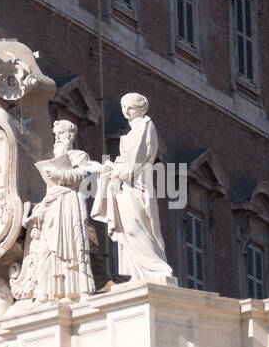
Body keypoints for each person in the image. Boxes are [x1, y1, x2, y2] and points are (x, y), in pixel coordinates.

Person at [91, 93, 176, 285]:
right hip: (126, 183)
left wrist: (115, 170)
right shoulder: (134, 130)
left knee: (135, 225)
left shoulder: (144, 126)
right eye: (123, 107)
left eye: (130, 107)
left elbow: (134, 163)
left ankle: (157, 268)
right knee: (129, 227)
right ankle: (140, 273)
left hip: (136, 184)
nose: (125, 111)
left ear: (141, 109)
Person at [27, 120, 99, 302]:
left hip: (70, 203)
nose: (57, 138)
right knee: (47, 250)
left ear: (70, 136)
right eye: (56, 134)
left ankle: (73, 292)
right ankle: (49, 293)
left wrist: (60, 175)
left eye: (61, 133)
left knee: (71, 248)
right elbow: (49, 191)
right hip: (53, 205)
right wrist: (38, 212)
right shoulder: (52, 162)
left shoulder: (80, 156)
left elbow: (81, 176)